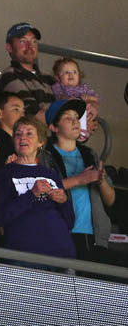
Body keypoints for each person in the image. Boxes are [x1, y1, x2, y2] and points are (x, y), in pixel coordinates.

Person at [38, 98, 117, 263]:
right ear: (53, 127)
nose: (75, 121)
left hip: (95, 237)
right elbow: (42, 192)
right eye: (68, 117)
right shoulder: (44, 155)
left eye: (76, 117)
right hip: (60, 234)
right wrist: (79, 179)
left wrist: (101, 181)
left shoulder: (90, 154)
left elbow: (110, 200)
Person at [0, 116, 75, 260]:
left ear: (40, 142)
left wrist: (63, 201)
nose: (23, 137)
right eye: (18, 134)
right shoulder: (4, 173)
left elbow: (70, 221)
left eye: (29, 133)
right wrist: (32, 194)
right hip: (24, 253)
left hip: (61, 251)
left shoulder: (50, 174)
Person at [0, 22, 56, 119]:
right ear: (9, 47)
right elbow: (32, 116)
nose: (30, 46)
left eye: (34, 41)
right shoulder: (9, 75)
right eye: (23, 41)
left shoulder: (48, 77)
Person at [51, 57, 100, 138]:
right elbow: (59, 96)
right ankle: (80, 132)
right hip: (70, 109)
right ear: (58, 77)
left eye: (74, 72)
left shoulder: (83, 88)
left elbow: (96, 98)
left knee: (87, 107)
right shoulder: (59, 86)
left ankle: (83, 131)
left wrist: (89, 98)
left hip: (83, 110)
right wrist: (71, 98)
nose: (71, 74)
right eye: (66, 72)